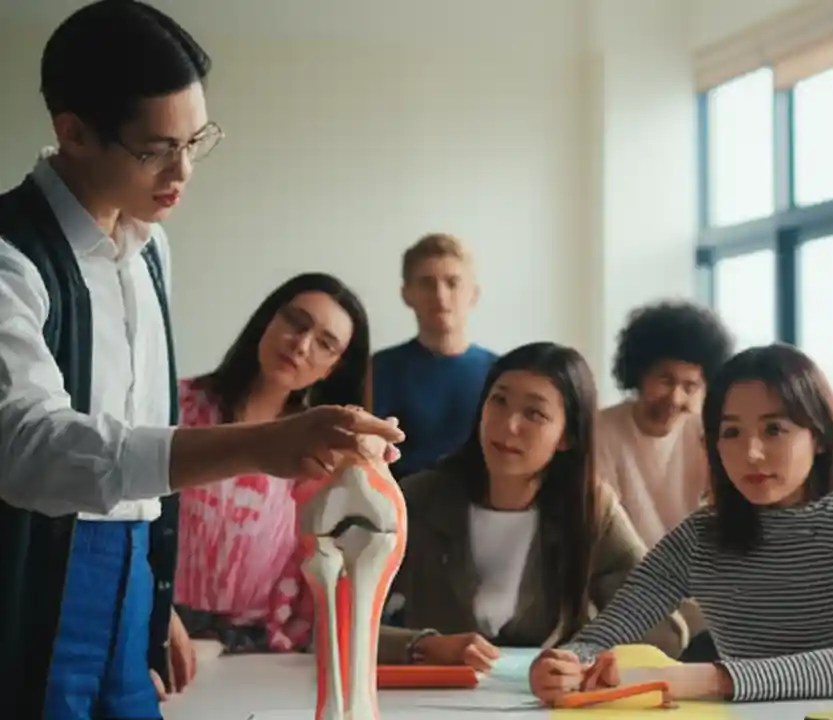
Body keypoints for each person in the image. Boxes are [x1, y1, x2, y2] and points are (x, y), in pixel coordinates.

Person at [0, 3, 402, 718]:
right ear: (74, 133)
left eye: (197, 141)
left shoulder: (150, 245)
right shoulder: (12, 258)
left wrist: (157, 602)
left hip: (133, 581)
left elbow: (144, 430)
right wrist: (259, 446)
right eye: (157, 149)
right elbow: (28, 447)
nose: (183, 172)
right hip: (35, 577)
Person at [529, 344, 833, 704]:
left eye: (774, 430)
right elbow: (601, 636)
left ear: (820, 436)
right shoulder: (702, 534)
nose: (751, 453)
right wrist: (561, 666)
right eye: (732, 432)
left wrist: (696, 678)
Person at [379, 342, 687, 668]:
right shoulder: (419, 498)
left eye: (534, 414)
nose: (509, 425)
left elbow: (665, 633)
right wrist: (422, 645)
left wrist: (579, 653)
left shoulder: (587, 508)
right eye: (498, 401)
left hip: (540, 702)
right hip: (428, 700)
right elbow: (341, 622)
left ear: (566, 436)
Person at [175, 273, 374, 653]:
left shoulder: (323, 451)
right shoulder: (176, 404)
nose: (301, 345)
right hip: (152, 628)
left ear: (332, 368)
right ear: (268, 320)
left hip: (254, 651)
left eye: (325, 344)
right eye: (296, 323)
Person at [597, 299, 733, 548]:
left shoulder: (710, 433)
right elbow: (603, 531)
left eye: (690, 386)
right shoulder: (599, 431)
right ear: (638, 374)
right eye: (665, 380)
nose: (675, 398)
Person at [372, 233, 496, 479]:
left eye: (452, 283)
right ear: (406, 294)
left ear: (474, 294)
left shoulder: (501, 372)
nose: (440, 295)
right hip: (403, 506)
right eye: (427, 283)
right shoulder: (380, 368)